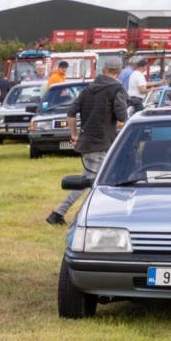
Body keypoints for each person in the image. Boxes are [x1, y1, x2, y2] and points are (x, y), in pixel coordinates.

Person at [47, 65, 129, 225]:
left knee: (93, 181)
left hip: (88, 142)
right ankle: (61, 213)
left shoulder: (88, 89)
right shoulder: (116, 88)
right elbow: (121, 116)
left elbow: (71, 113)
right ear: (117, 73)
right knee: (92, 182)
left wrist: (74, 135)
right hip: (102, 143)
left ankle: (70, 213)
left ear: (103, 72)